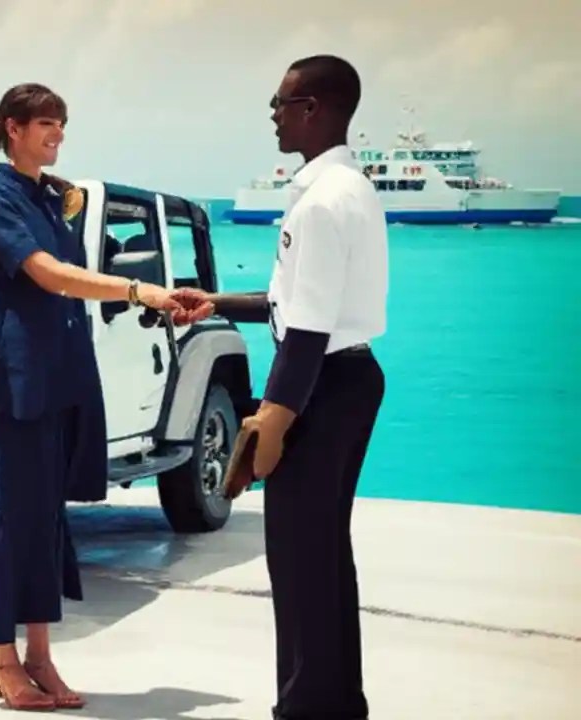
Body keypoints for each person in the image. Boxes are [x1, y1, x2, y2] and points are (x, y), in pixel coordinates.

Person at [0, 82, 213, 713]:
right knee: (5, 520)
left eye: (62, 124)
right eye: (46, 124)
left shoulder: (53, 198)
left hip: (61, 377)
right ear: (13, 128)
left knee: (47, 521)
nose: (57, 135)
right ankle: (1, 657)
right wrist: (142, 291)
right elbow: (47, 273)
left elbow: (73, 277)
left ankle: (41, 655)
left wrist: (159, 299)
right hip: (13, 383)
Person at [176, 55, 388, 719]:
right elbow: (291, 304)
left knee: (300, 561)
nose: (273, 113)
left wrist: (273, 418)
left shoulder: (320, 204)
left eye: (282, 101)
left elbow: (307, 331)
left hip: (318, 383)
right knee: (323, 554)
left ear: (314, 108)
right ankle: (332, 702)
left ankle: (305, 707)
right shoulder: (351, 188)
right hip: (349, 376)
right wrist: (215, 301)